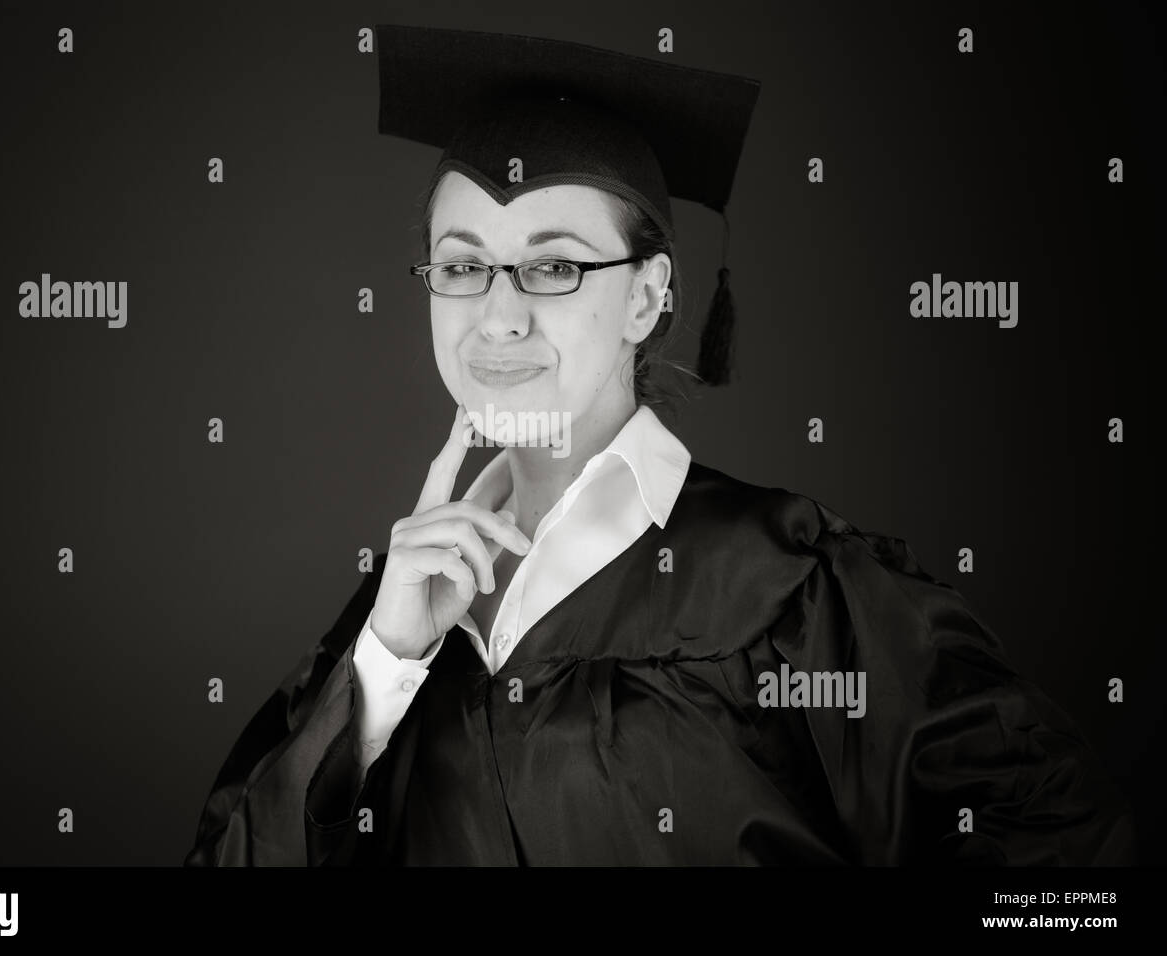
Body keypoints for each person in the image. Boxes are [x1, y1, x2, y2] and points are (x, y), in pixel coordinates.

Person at [183, 24, 1135, 866]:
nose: (498, 317)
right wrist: (387, 666)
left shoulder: (789, 589)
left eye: (554, 265)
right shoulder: (397, 613)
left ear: (647, 297)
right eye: (464, 266)